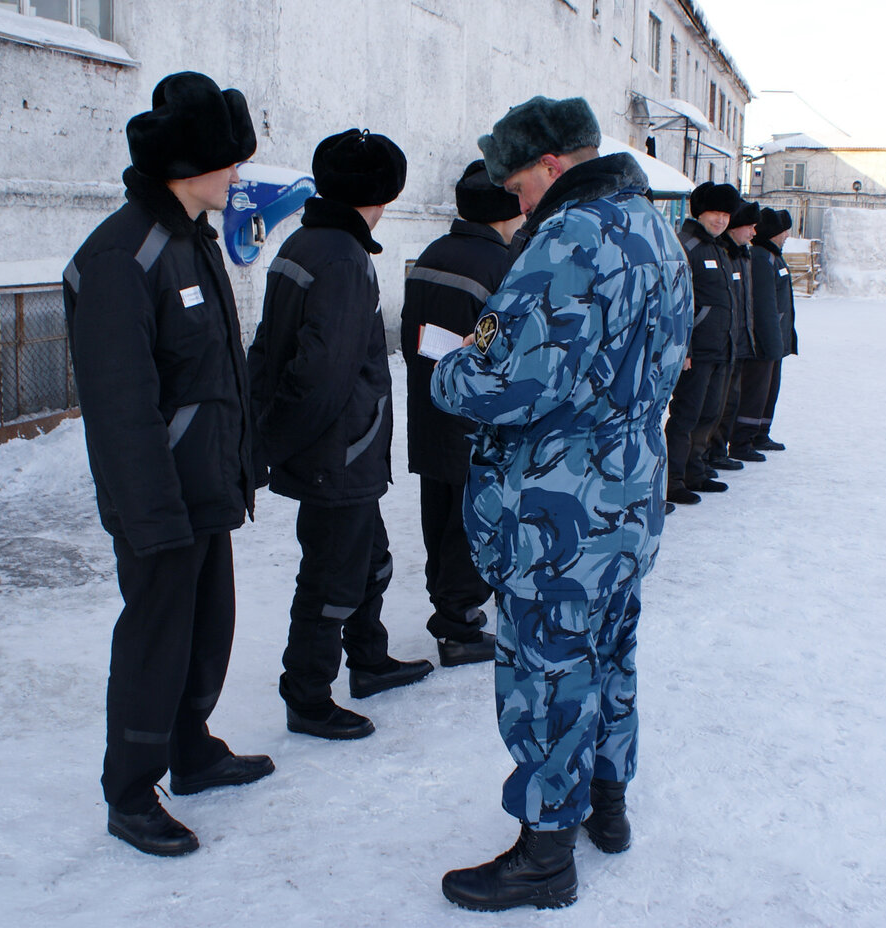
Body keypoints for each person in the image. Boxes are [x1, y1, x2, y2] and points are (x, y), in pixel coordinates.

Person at [431, 96, 692, 911]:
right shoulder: (655, 230)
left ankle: (545, 853)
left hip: (559, 510)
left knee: (547, 673)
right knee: (609, 653)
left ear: (551, 164)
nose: (519, 204)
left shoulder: (573, 236)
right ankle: (605, 807)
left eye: (519, 186)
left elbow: (505, 376)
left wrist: (449, 370)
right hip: (629, 494)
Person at [63, 72, 274, 858]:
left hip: (204, 488)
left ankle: (192, 749)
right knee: (155, 639)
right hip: (160, 501)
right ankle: (131, 789)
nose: (240, 176)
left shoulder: (194, 238)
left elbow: (215, 369)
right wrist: (152, 515)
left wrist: (238, 464)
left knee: (206, 628)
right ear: (192, 165)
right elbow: (123, 407)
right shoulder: (124, 255)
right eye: (231, 163)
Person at [247, 129, 434, 742]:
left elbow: (269, 348)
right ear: (377, 193)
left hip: (342, 448)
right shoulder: (344, 260)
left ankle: (370, 658)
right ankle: (307, 694)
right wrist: (277, 442)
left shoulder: (305, 243)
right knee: (331, 578)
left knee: (369, 560)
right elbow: (319, 375)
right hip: (339, 453)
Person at [400, 160, 524, 667]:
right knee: (471, 525)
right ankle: (458, 625)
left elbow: (413, 335)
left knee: (441, 518)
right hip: (475, 421)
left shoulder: (434, 252)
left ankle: (451, 610)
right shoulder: (501, 267)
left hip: (429, 407)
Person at [664, 180, 741, 505]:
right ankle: (671, 480)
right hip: (695, 352)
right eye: (715, 213)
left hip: (720, 348)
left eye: (726, 214)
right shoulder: (687, 245)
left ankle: (695, 470)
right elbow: (679, 302)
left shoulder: (718, 248)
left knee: (710, 412)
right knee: (686, 415)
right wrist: (686, 349)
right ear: (701, 212)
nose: (721, 220)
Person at [708, 199, 760, 469]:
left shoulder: (743, 254)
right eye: (749, 227)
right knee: (715, 404)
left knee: (729, 402)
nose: (753, 233)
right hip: (722, 340)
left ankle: (717, 451)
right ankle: (708, 454)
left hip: (737, 340)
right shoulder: (725, 254)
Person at [744, 207, 796, 453]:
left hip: (776, 340)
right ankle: (745, 438)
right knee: (756, 391)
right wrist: (773, 342)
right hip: (765, 342)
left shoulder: (773, 256)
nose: (786, 236)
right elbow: (764, 306)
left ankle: (761, 433)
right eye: (784, 231)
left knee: (769, 390)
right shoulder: (762, 258)